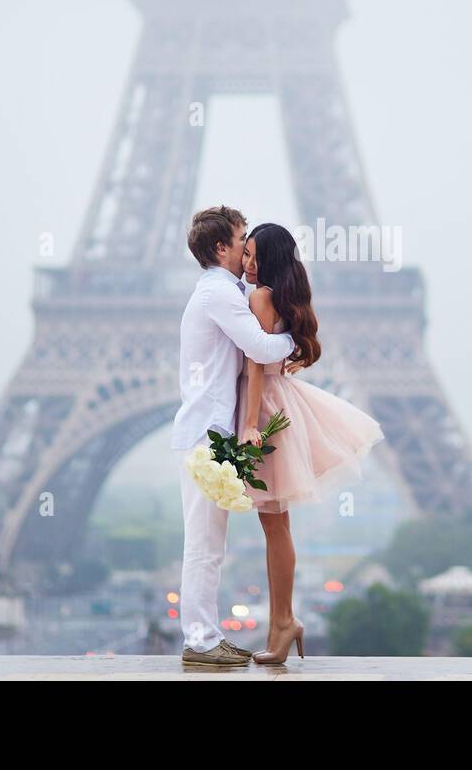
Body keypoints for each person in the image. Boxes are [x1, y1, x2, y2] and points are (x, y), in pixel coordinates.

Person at [236, 222, 385, 664]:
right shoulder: (279, 297)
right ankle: (281, 623)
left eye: (254, 257)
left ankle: (282, 622)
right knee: (275, 525)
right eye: (244, 254)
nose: (247, 264)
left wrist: (248, 426)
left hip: (264, 410)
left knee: (274, 525)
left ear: (272, 261)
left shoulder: (260, 297)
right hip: (282, 405)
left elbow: (258, 365)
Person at [172, 206, 294, 668]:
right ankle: (200, 641)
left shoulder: (226, 291)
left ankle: (206, 635)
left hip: (210, 433)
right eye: (242, 237)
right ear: (221, 247)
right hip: (206, 436)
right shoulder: (218, 295)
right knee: (204, 546)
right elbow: (260, 347)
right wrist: (295, 343)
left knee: (210, 546)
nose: (247, 245)